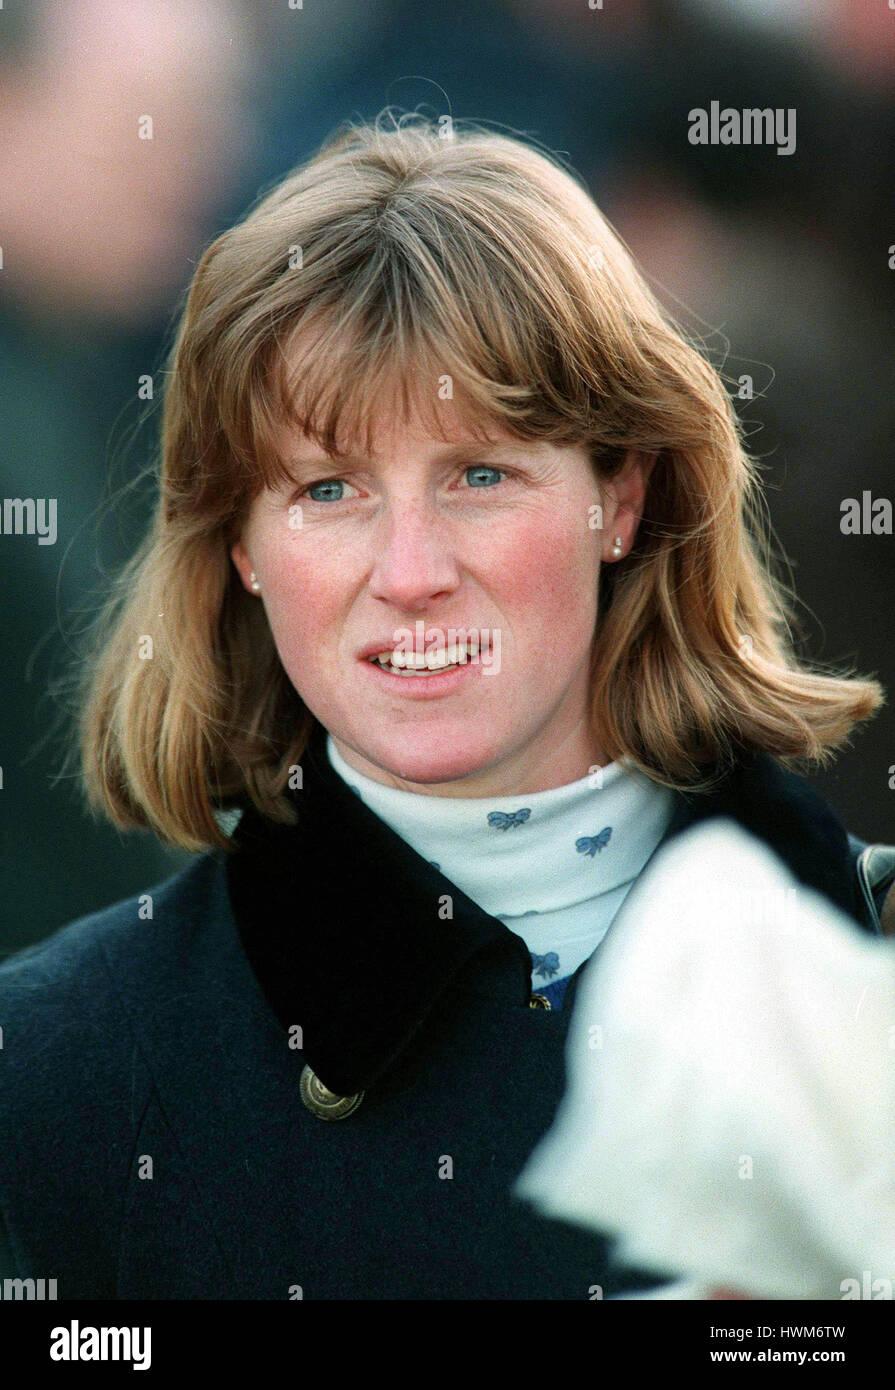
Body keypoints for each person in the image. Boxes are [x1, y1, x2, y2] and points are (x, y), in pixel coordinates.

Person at [0, 112, 888, 1300]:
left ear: (621, 498)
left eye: (480, 474)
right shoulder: (64, 1069)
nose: (409, 570)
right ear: (243, 546)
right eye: (327, 488)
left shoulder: (859, 973)